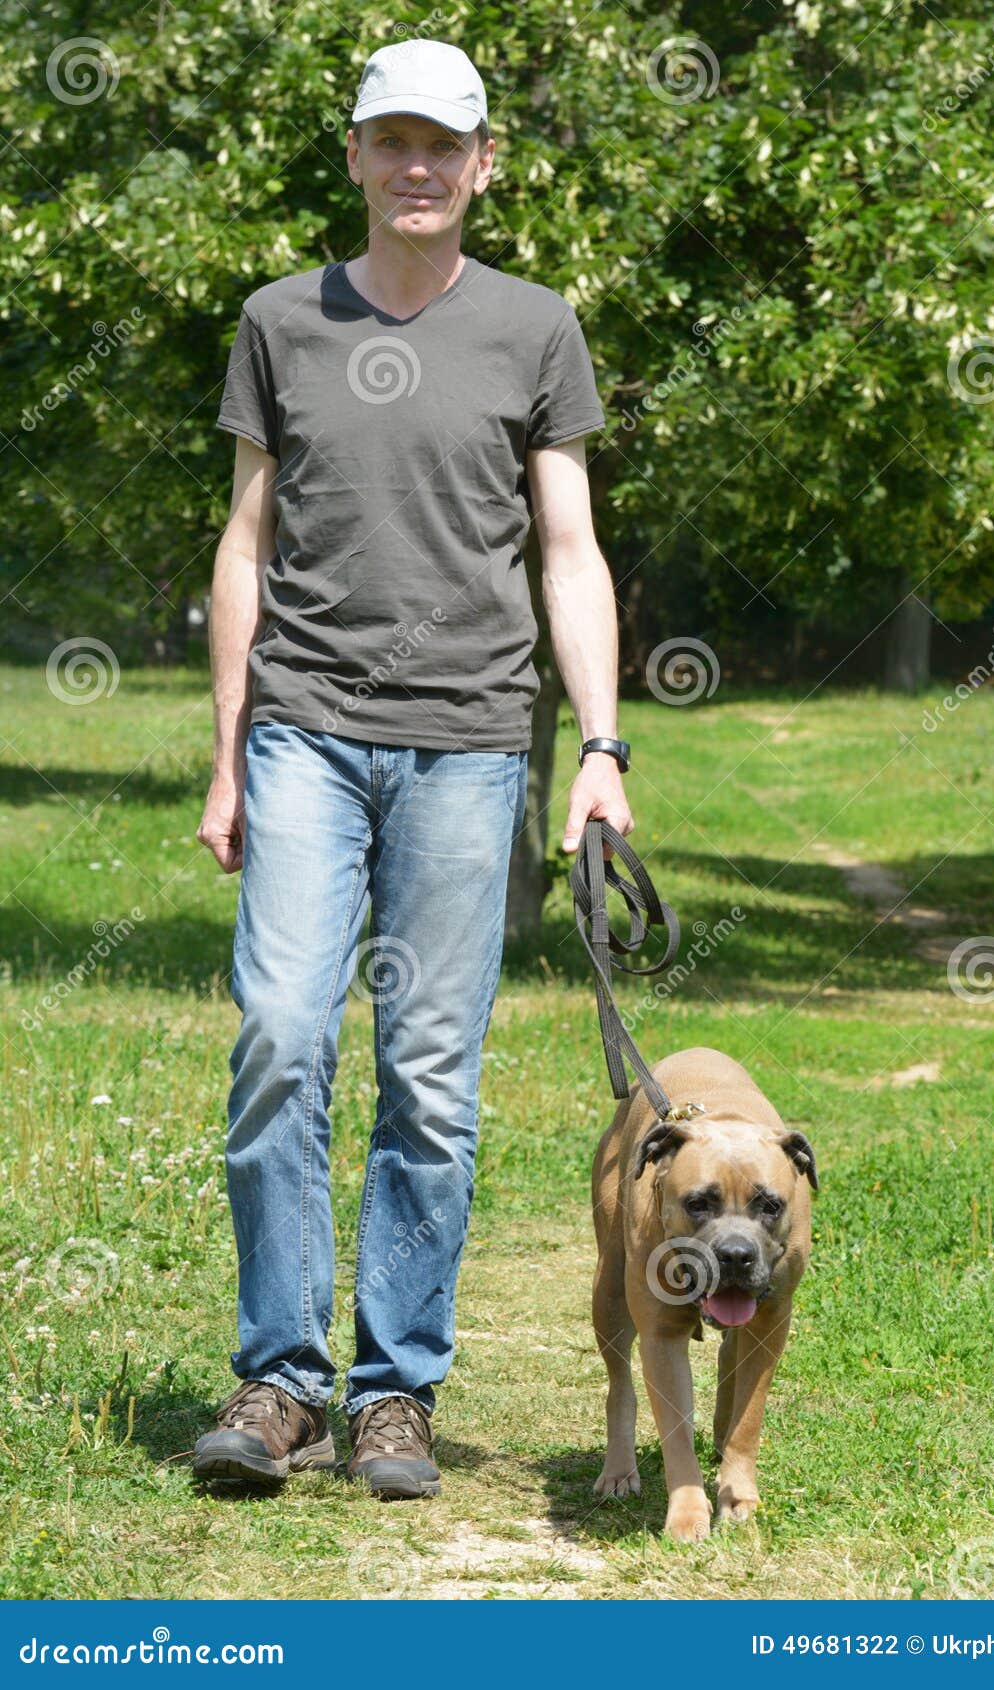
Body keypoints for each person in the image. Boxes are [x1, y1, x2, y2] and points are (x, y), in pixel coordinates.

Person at [193, 38, 633, 1500]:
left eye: (443, 143)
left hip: (468, 742)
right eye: (391, 141)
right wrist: (228, 756)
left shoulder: (534, 328)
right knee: (281, 1037)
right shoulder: (281, 320)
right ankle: (281, 1380)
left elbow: (568, 550)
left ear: (484, 163)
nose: (417, 167)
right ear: (356, 158)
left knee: (431, 1075)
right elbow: (246, 543)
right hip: (304, 728)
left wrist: (600, 748)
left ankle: (395, 1393)